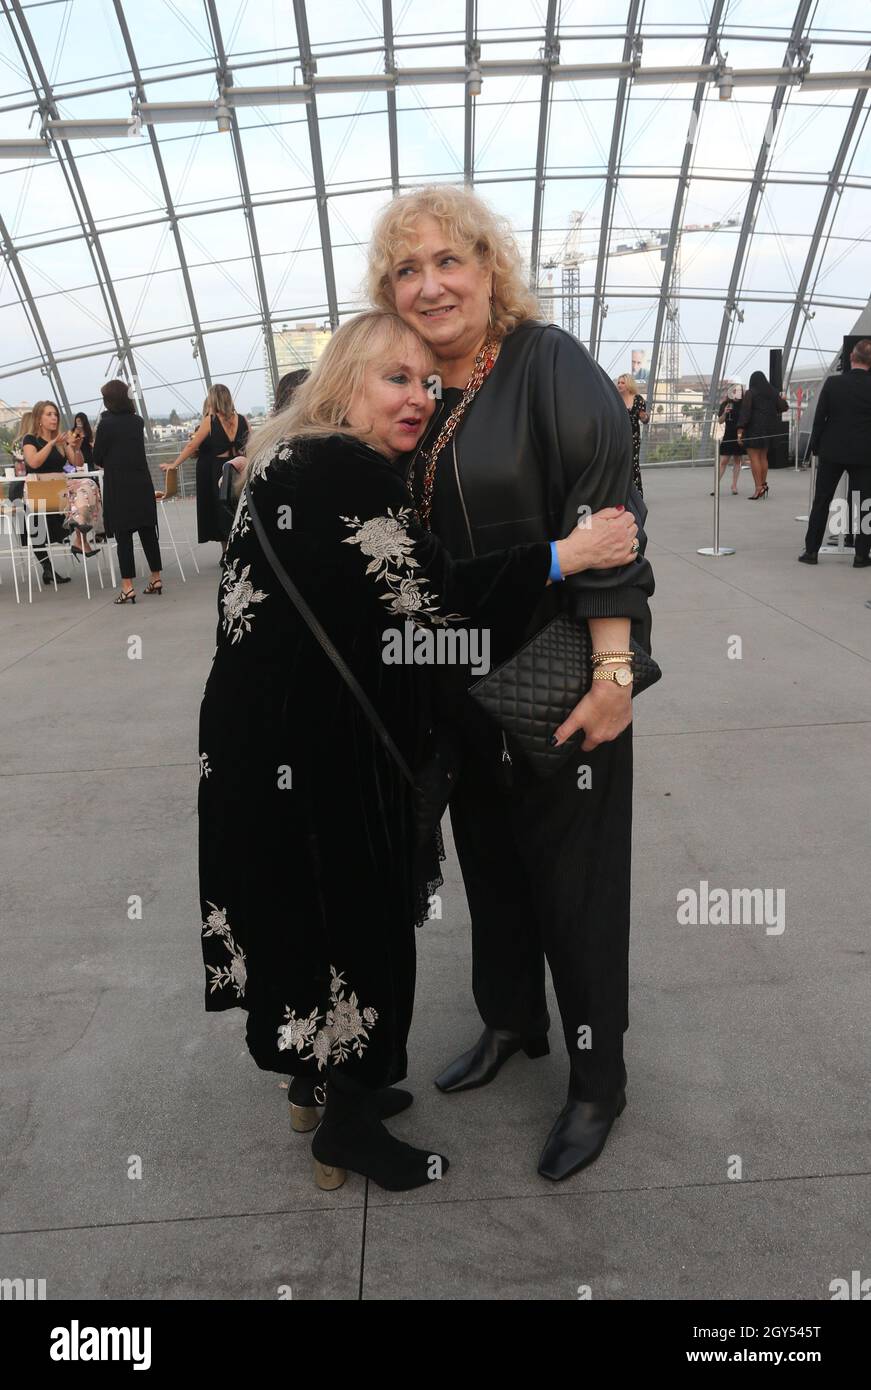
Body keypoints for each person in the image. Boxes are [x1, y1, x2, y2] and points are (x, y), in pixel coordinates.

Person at [198, 310, 639, 1193]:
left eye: (428, 383)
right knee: (359, 927)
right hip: (322, 753)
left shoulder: (287, 457)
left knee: (300, 917)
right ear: (343, 383)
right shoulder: (344, 470)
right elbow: (435, 599)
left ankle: (311, 1085)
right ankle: (350, 1131)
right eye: (396, 379)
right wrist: (570, 552)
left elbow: (366, 617)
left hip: (262, 745)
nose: (418, 399)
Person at [367, 184, 654, 1180]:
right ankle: (508, 1022)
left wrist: (615, 673)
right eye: (408, 268)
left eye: (450, 261)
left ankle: (594, 1078)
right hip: (456, 689)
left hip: (559, 678)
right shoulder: (413, 390)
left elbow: (611, 526)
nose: (430, 284)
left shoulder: (546, 365)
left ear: (491, 268)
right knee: (489, 868)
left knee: (574, 892)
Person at [799, 338, 871, 568]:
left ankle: (811, 551)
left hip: (832, 450)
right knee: (865, 503)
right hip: (864, 453)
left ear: (851, 357)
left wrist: (815, 448)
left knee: (822, 499)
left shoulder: (833, 384)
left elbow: (820, 418)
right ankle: (861, 555)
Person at [93, 379, 163, 604]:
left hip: (118, 486)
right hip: (141, 483)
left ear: (109, 400)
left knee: (124, 538)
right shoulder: (137, 422)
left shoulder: (105, 425)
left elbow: (97, 458)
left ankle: (128, 587)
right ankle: (156, 578)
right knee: (147, 532)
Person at [162, 385, 249, 555]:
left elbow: (192, 445)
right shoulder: (243, 419)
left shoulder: (211, 421)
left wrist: (174, 464)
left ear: (213, 399)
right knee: (239, 508)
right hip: (238, 468)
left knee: (222, 509)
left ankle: (227, 552)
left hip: (219, 470)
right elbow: (251, 445)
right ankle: (241, 546)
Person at [21, 400, 79, 585]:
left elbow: (76, 462)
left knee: (85, 495)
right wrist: (52, 443)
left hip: (59, 490)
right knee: (35, 522)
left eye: (55, 414)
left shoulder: (61, 441)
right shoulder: (30, 439)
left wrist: (73, 446)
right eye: (49, 414)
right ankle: (47, 568)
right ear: (39, 418)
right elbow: (34, 462)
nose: (54, 418)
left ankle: (82, 537)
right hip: (39, 489)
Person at [736, 370, 788, 500]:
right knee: (763, 457)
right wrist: (782, 400)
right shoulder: (773, 392)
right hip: (768, 429)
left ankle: (758, 488)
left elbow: (745, 412)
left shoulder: (751, 393)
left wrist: (740, 430)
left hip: (754, 429)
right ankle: (763, 485)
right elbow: (783, 407)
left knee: (754, 458)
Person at [616, 373, 649, 495]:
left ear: (628, 384)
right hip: (619, 437)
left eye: (622, 383)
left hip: (633, 438)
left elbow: (644, 420)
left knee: (633, 465)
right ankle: (621, 493)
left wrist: (644, 417)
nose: (619, 385)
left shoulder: (638, 399)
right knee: (620, 464)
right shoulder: (616, 399)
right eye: (618, 382)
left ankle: (636, 494)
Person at [713, 386, 746, 496]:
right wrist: (725, 413)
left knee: (737, 461)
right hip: (728, 434)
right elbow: (720, 421)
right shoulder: (726, 403)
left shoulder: (744, 404)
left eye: (740, 391)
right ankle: (716, 486)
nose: (738, 393)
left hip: (739, 434)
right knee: (723, 461)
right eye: (735, 390)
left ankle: (734, 485)